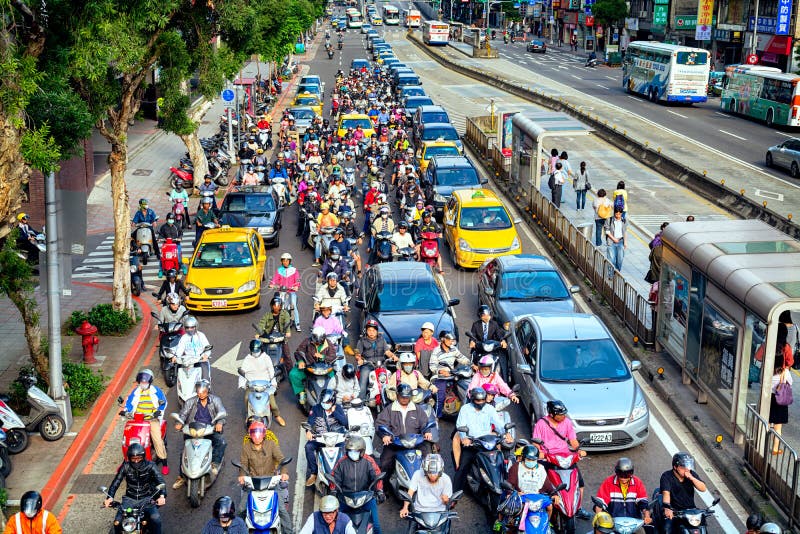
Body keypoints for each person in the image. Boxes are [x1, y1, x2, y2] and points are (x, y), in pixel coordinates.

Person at [453, 388, 513, 491]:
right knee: (462, 468)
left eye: (482, 401)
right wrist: (464, 438)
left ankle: (507, 490)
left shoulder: (489, 409)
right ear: (472, 399)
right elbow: (460, 425)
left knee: (501, 463)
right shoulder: (465, 409)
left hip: (487, 441)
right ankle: (455, 494)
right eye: (478, 401)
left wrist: (506, 433)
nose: (480, 403)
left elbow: (498, 423)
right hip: (472, 443)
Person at [238, 421, 294, 533]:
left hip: (271, 481)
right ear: (250, 434)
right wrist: (242, 476)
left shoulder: (271, 444)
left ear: (264, 434)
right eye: (254, 432)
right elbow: (243, 464)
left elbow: (281, 459)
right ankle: (239, 530)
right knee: (241, 509)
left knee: (282, 509)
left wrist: (284, 473)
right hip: (253, 482)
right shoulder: (246, 447)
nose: (256, 436)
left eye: (259, 432)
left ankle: (289, 532)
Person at [532, 400, 587, 511]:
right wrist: (540, 453)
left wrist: (579, 450)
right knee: (540, 484)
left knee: (579, 483)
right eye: (560, 414)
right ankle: (542, 507)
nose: (563, 416)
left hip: (566, 457)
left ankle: (578, 507)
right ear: (551, 414)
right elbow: (535, 443)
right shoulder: (541, 424)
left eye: (564, 414)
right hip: (548, 458)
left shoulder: (567, 422)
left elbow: (573, 440)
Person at [172, 380, 227, 488]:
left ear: (208, 391)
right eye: (199, 392)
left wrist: (219, 423)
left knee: (221, 442)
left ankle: (214, 464)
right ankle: (181, 477)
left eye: (204, 392)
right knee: (186, 451)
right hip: (194, 429)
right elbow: (183, 414)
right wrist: (179, 422)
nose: (201, 394)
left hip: (210, 428)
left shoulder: (215, 400)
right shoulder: (190, 401)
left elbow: (222, 413)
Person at [104, 443, 166, 534]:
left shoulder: (151, 465)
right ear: (129, 458)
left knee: (156, 519)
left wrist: (162, 496)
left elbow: (161, 481)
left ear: (143, 457)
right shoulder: (125, 466)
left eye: (139, 458)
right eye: (133, 459)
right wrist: (109, 497)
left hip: (146, 499)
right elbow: (115, 483)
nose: (136, 461)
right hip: (129, 499)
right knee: (117, 523)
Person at [376, 383, 433, 475]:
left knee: (429, 460)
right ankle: (383, 487)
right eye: (402, 396)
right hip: (395, 442)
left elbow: (424, 422)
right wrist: (385, 435)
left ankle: (428, 484)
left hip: (415, 442)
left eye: (407, 397)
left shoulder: (417, 409)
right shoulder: (389, 409)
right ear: (397, 395)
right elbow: (381, 423)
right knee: (384, 463)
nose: (404, 399)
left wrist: (427, 431)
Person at [331, 435, 384, 534]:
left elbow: (377, 476)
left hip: (366, 497)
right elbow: (334, 477)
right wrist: (333, 490)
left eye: (355, 451)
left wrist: (380, 491)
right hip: (345, 497)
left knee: (376, 525)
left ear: (362, 451)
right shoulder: (342, 462)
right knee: (336, 525)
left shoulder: (369, 461)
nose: (352, 453)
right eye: (350, 451)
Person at [123, 369, 169, 474]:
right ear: (139, 382)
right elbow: (129, 403)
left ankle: (165, 463)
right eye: (142, 382)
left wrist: (159, 411)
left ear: (149, 382)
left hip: (151, 419)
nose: (143, 384)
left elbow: (163, 403)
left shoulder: (156, 391)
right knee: (129, 440)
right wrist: (126, 411)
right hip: (138, 419)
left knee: (157, 440)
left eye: (145, 382)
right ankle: (125, 462)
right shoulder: (135, 391)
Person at [304, 389, 348, 486]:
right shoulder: (315, 408)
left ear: (333, 401)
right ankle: (313, 473)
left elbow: (345, 423)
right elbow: (310, 422)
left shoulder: (338, 408)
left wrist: (334, 412)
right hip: (321, 438)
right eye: (323, 402)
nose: (325, 404)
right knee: (308, 447)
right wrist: (308, 431)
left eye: (327, 402)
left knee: (347, 450)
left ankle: (345, 474)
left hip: (337, 438)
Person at [399, 453, 452, 530]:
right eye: (430, 473)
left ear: (440, 471)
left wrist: (447, 500)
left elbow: (449, 503)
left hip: (439, 511)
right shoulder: (417, 474)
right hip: (419, 510)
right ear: (425, 471)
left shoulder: (446, 479)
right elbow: (410, 492)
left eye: (435, 473)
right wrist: (405, 507)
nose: (433, 476)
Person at [239, 339, 286, 427]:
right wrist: (243, 384)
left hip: (266, 385)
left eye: (256, 351)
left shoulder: (266, 358)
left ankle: (277, 416)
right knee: (246, 398)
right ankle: (248, 415)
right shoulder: (247, 359)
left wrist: (273, 382)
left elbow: (271, 370)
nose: (255, 353)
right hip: (252, 385)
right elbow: (242, 372)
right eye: (253, 351)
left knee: (273, 404)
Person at [659, 452, 707, 533]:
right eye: (683, 467)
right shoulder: (666, 476)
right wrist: (667, 508)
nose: (687, 469)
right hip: (674, 511)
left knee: (702, 528)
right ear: (675, 467)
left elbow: (703, 488)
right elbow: (666, 493)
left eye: (688, 467)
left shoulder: (691, 474)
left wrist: (692, 478)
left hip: (691, 510)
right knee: (667, 530)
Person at [595, 457, 651, 525]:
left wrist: (647, 516)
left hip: (633, 522)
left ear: (631, 473)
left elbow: (643, 503)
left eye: (627, 475)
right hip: (613, 522)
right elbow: (600, 503)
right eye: (621, 475)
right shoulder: (608, 482)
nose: (624, 478)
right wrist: (599, 517)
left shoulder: (637, 483)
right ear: (616, 472)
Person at [354, 319, 396, 401]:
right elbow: (357, 353)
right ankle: (361, 400)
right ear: (366, 331)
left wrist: (393, 356)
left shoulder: (382, 340)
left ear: (377, 331)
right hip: (367, 365)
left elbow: (387, 351)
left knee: (389, 379)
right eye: (369, 330)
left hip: (381, 364)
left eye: (373, 330)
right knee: (363, 380)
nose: (371, 332)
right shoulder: (361, 341)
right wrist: (359, 359)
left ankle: (391, 397)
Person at [506, 444, 551, 519]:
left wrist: (555, 494)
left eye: (533, 460)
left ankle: (546, 523)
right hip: (522, 496)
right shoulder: (516, 467)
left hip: (537, 497)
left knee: (550, 508)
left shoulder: (541, 468)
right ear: (524, 458)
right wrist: (511, 493)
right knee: (513, 518)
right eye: (529, 459)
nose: (531, 462)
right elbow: (510, 483)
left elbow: (547, 484)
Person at [469, 305, 508, 375]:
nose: (486, 317)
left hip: (491, 347)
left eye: (488, 315)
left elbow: (499, 334)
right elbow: (472, 335)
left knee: (501, 360)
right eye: (484, 315)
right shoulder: (475, 325)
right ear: (480, 316)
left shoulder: (494, 324)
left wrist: (503, 340)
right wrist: (472, 341)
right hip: (480, 347)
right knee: (473, 361)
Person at [256, 295, 293, 365]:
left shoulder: (285, 314)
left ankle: (288, 374)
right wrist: (258, 333)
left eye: (278, 305)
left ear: (281, 306)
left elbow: (287, 323)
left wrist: (287, 332)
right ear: (271, 306)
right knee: (258, 354)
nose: (276, 307)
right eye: (274, 305)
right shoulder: (267, 315)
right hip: (268, 339)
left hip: (281, 338)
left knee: (287, 356)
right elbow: (262, 323)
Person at [269, 253, 301, 331]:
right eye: (283, 260)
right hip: (281, 292)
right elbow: (274, 279)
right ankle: (275, 323)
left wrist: (296, 286)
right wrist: (272, 284)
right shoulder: (279, 270)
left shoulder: (294, 270)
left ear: (290, 261)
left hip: (291, 291)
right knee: (276, 306)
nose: (285, 262)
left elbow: (297, 280)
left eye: (287, 260)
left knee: (294, 305)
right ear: (281, 261)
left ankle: (297, 324)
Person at [173, 315, 212, 381]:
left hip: (201, 360)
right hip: (188, 362)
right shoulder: (184, 337)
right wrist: (175, 356)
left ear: (196, 327)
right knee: (182, 379)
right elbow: (180, 348)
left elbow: (207, 347)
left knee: (205, 380)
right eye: (187, 328)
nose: (189, 329)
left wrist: (206, 355)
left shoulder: (201, 335)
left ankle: (208, 390)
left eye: (192, 327)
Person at [770, 349, 792, 454]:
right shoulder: (785, 372)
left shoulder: (768, 370)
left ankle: (762, 444)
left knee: (766, 424)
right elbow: (790, 383)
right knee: (778, 428)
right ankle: (775, 449)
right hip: (780, 400)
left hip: (769, 399)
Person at [604, 207, 627, 277]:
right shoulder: (609, 219)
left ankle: (617, 272)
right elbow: (607, 231)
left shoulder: (624, 220)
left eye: (619, 214)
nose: (617, 216)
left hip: (621, 241)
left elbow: (625, 231)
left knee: (620, 259)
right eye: (616, 214)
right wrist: (614, 239)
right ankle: (611, 275)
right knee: (611, 259)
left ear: (621, 214)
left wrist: (625, 242)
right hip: (611, 242)